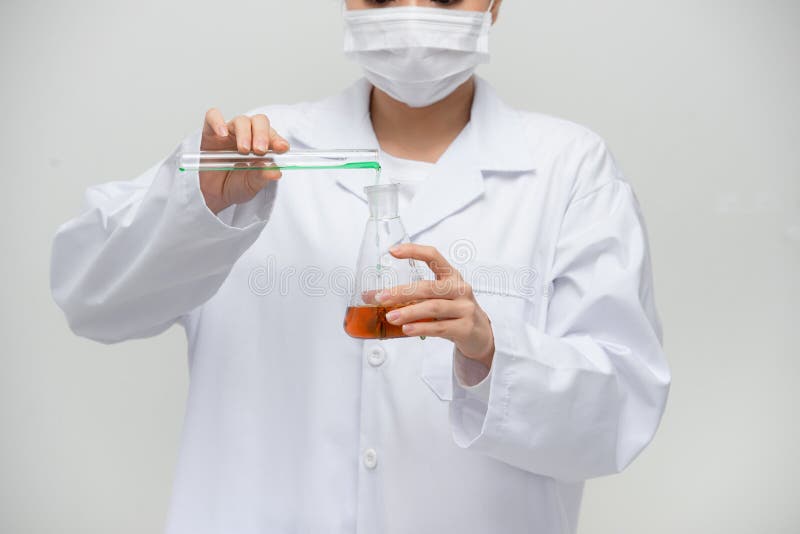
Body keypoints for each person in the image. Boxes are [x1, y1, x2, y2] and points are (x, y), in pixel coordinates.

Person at [50, 1, 670, 533]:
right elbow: (91, 296)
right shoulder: (252, 155)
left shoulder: (567, 169)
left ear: (496, 4)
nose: (412, 16)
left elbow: (619, 412)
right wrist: (197, 208)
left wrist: (492, 356)